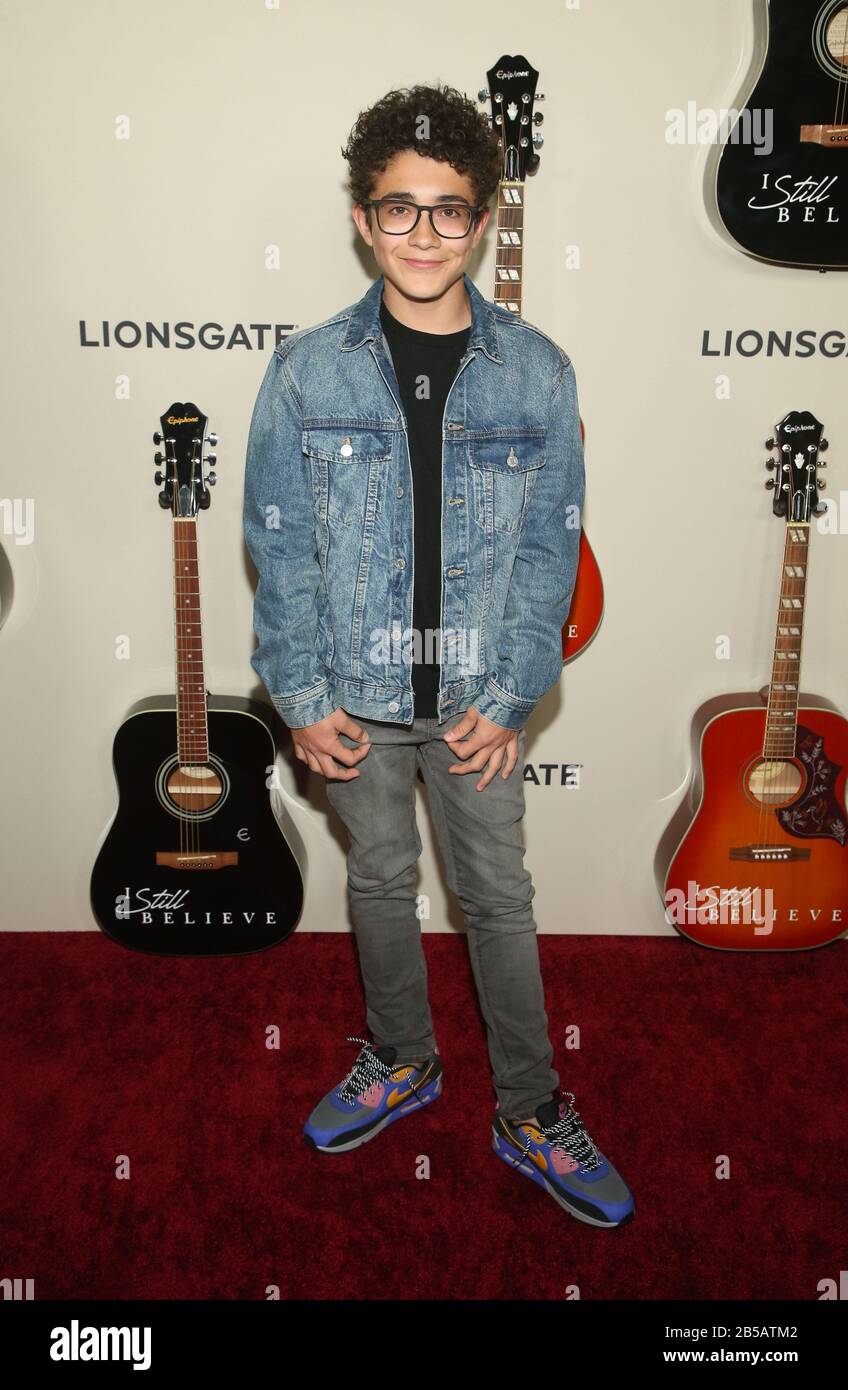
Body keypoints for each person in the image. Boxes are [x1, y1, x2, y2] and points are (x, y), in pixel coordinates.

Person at [243, 83, 634, 1227]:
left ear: (485, 219)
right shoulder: (306, 372)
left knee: (497, 901)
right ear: (362, 220)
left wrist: (514, 693)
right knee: (375, 882)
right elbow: (281, 545)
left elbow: (548, 556)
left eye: (448, 210)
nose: (423, 234)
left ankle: (529, 1108)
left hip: (473, 704)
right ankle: (401, 1056)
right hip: (352, 708)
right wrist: (302, 696)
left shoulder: (539, 373)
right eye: (397, 209)